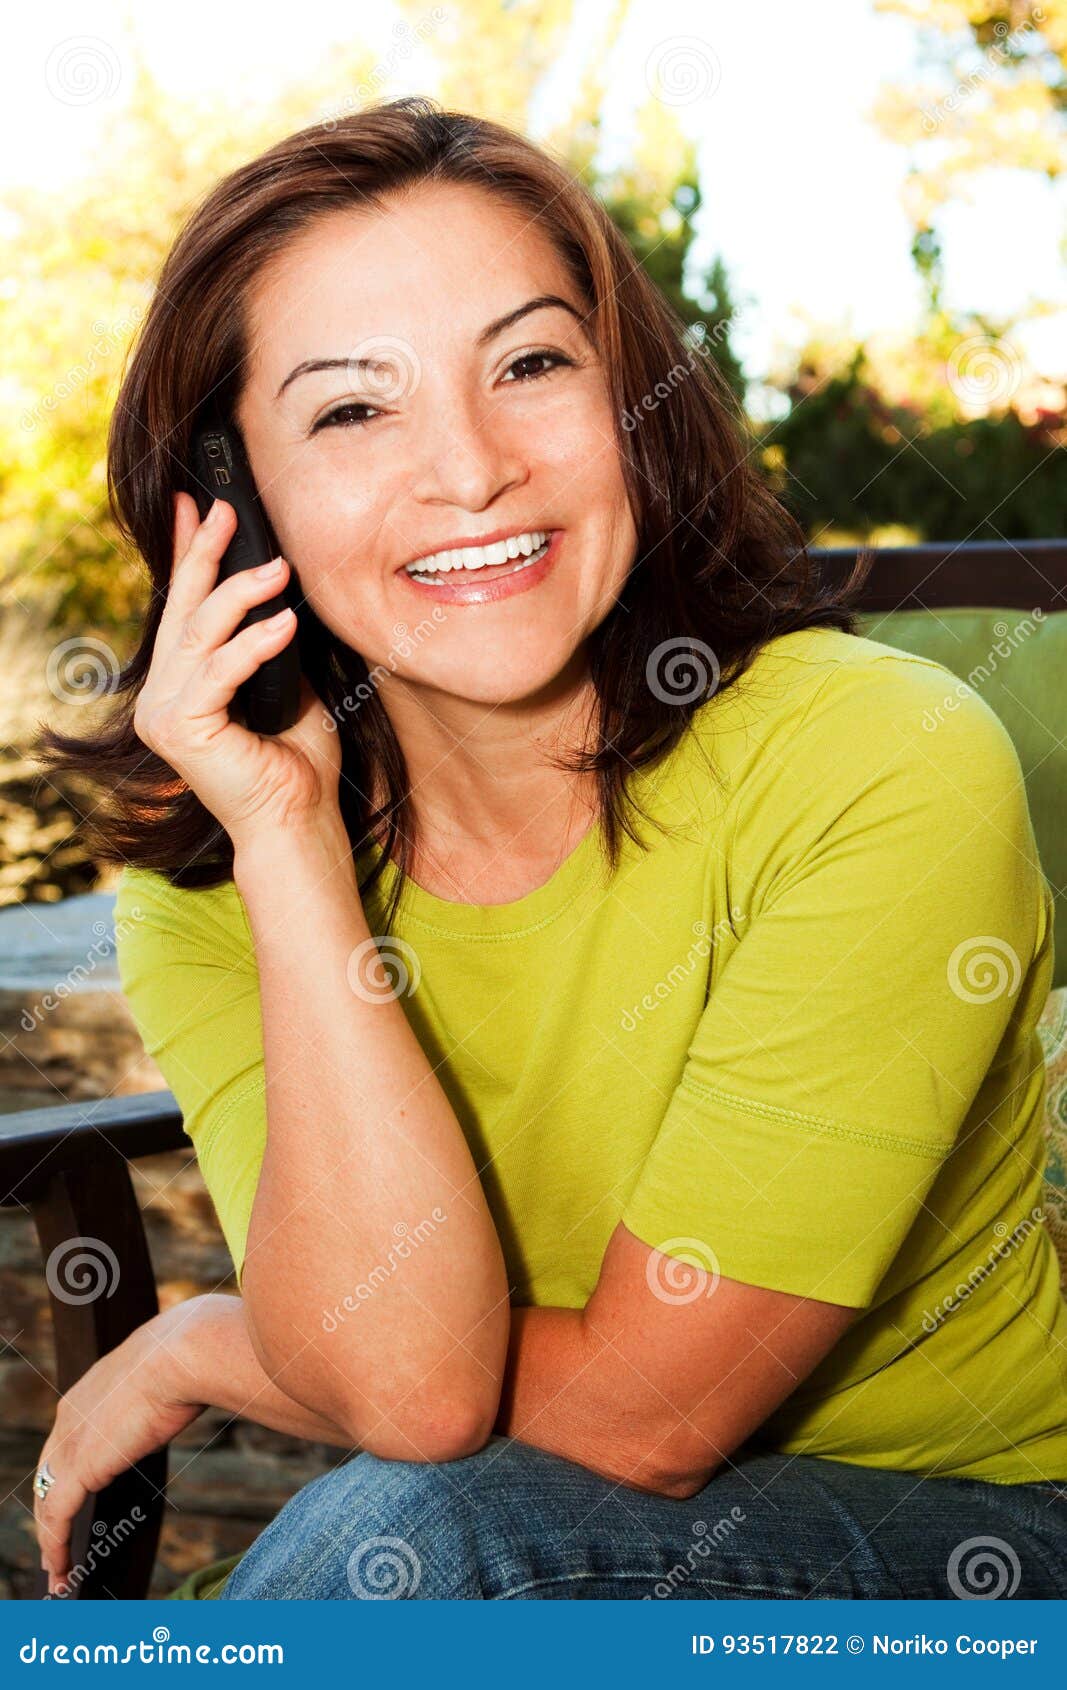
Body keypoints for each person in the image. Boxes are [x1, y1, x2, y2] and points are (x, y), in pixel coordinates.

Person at [32, 97, 1067, 1601]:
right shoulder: (219, 880)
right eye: (351, 407)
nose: (471, 468)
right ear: (234, 511)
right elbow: (412, 1392)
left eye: (530, 364)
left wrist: (212, 1340)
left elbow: (639, 1427)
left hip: (993, 1536)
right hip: (536, 1540)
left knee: (433, 1542)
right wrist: (289, 841)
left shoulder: (879, 764)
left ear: (630, 408)